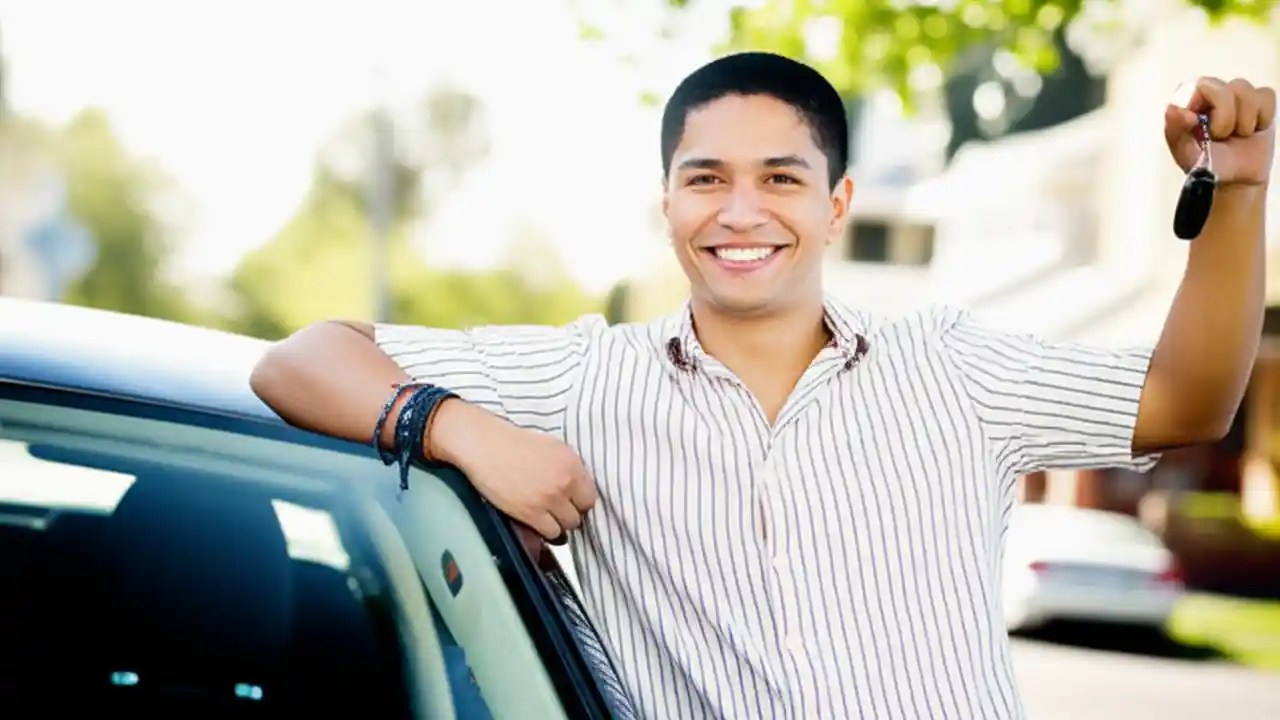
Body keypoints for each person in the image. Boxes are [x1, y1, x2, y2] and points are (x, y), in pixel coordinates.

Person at [250, 51, 1275, 719]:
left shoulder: (955, 368)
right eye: (706, 179)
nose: (740, 212)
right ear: (666, 205)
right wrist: (457, 428)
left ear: (835, 203)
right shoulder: (581, 375)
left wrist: (1231, 193)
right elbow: (297, 360)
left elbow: (1188, 401)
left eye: (779, 179)